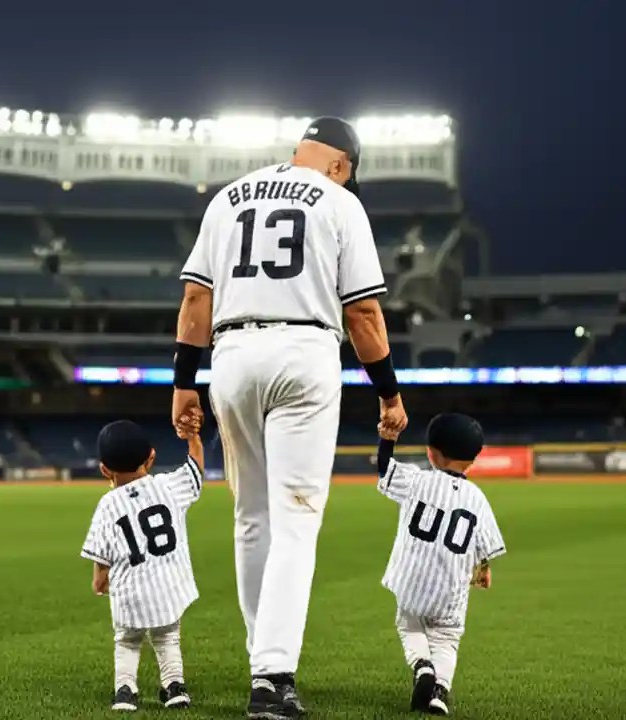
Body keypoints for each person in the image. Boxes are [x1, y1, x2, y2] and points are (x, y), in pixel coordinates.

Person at [170, 116, 409, 719]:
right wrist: (388, 393)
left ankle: (264, 658)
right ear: (338, 164)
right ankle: (272, 677)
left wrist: (182, 383)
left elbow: (197, 298)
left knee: (252, 521)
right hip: (303, 354)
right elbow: (364, 315)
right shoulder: (339, 202)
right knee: (297, 522)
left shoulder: (228, 197)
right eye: (349, 173)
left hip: (230, 357)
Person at [375, 413, 507, 716]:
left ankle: (422, 667)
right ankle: (440, 690)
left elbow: (385, 470)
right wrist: (483, 570)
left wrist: (388, 438)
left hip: (411, 581)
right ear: (474, 459)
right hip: (450, 590)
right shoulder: (478, 498)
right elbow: (483, 544)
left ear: (430, 452)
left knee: (409, 626)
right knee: (446, 641)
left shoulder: (417, 480)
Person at [81, 420, 205, 713]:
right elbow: (195, 469)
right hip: (167, 588)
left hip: (129, 592)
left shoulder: (108, 504)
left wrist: (99, 577)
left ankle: (125, 691)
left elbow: (102, 552)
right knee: (167, 637)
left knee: (127, 641)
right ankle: (174, 687)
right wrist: (193, 438)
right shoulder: (167, 487)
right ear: (151, 457)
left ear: (103, 469)